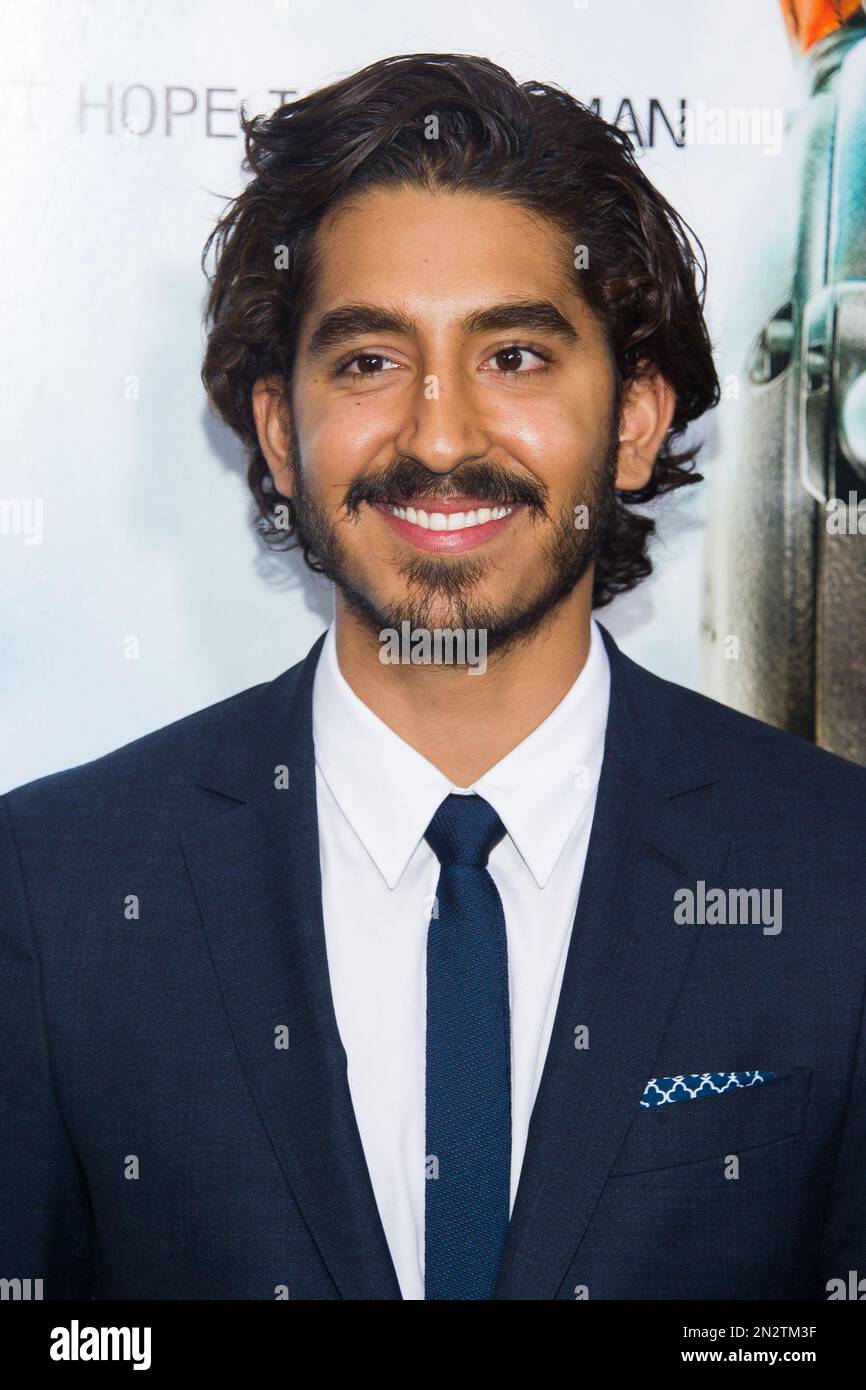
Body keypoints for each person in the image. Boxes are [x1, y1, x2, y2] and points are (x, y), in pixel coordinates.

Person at [2, 53, 865, 1302]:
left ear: (631, 420)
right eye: (366, 362)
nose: (442, 434)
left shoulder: (835, 873)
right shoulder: (58, 891)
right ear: (279, 432)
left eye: (513, 356)